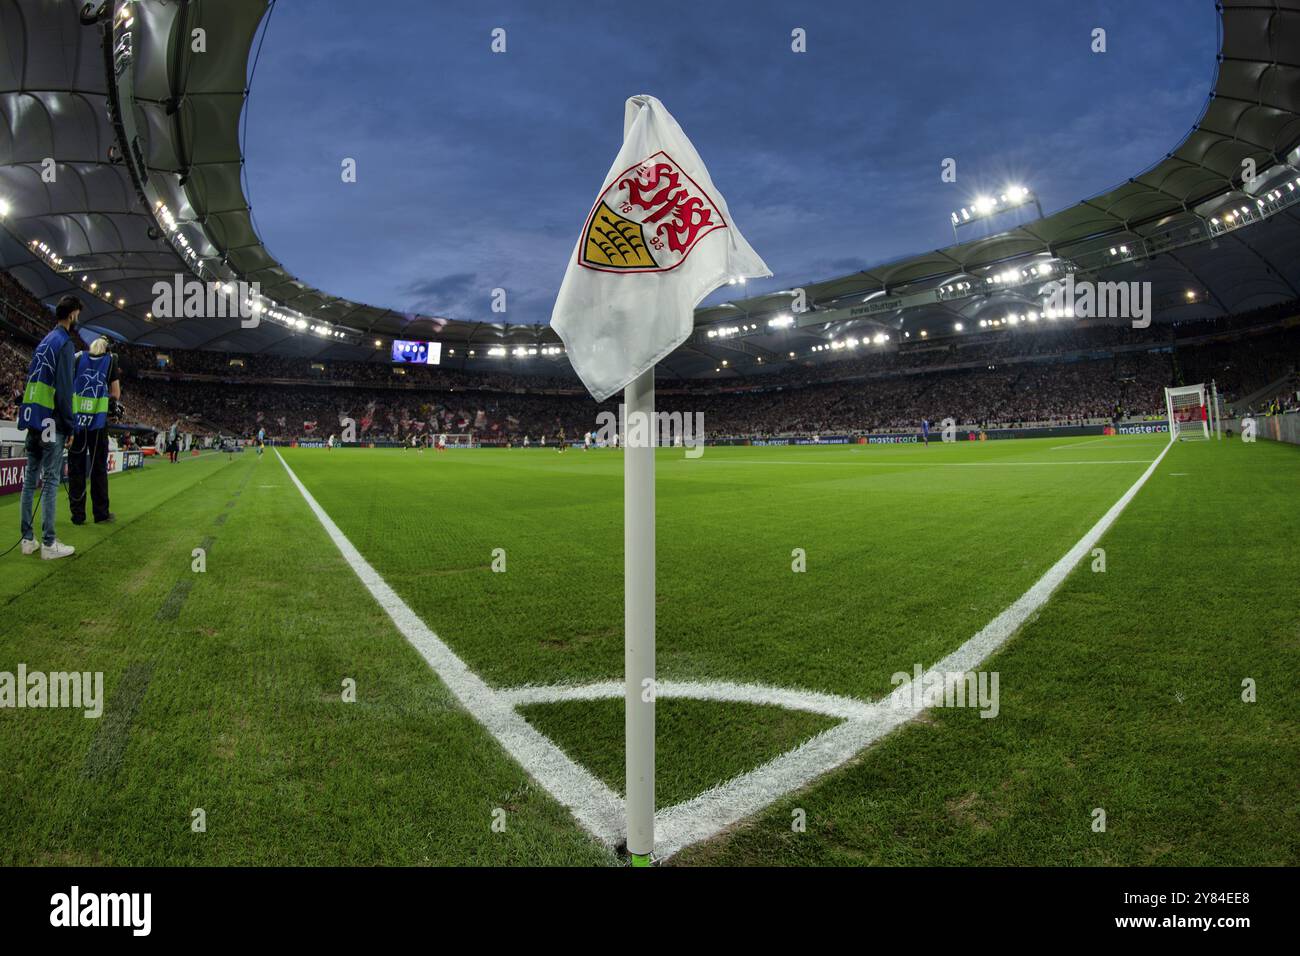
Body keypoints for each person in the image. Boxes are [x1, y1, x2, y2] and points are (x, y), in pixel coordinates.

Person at [17, 295, 80, 559]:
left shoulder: (44, 342)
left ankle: (27, 540)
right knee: (52, 480)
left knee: (30, 479)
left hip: (34, 419)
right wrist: (71, 426)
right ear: (73, 314)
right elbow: (64, 391)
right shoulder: (64, 344)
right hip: (51, 422)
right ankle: (49, 543)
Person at [67, 335, 119, 526]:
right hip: (97, 422)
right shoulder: (110, 360)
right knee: (98, 469)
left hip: (77, 421)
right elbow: (115, 393)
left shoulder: (78, 357)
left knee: (76, 468)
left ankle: (78, 515)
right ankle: (101, 513)